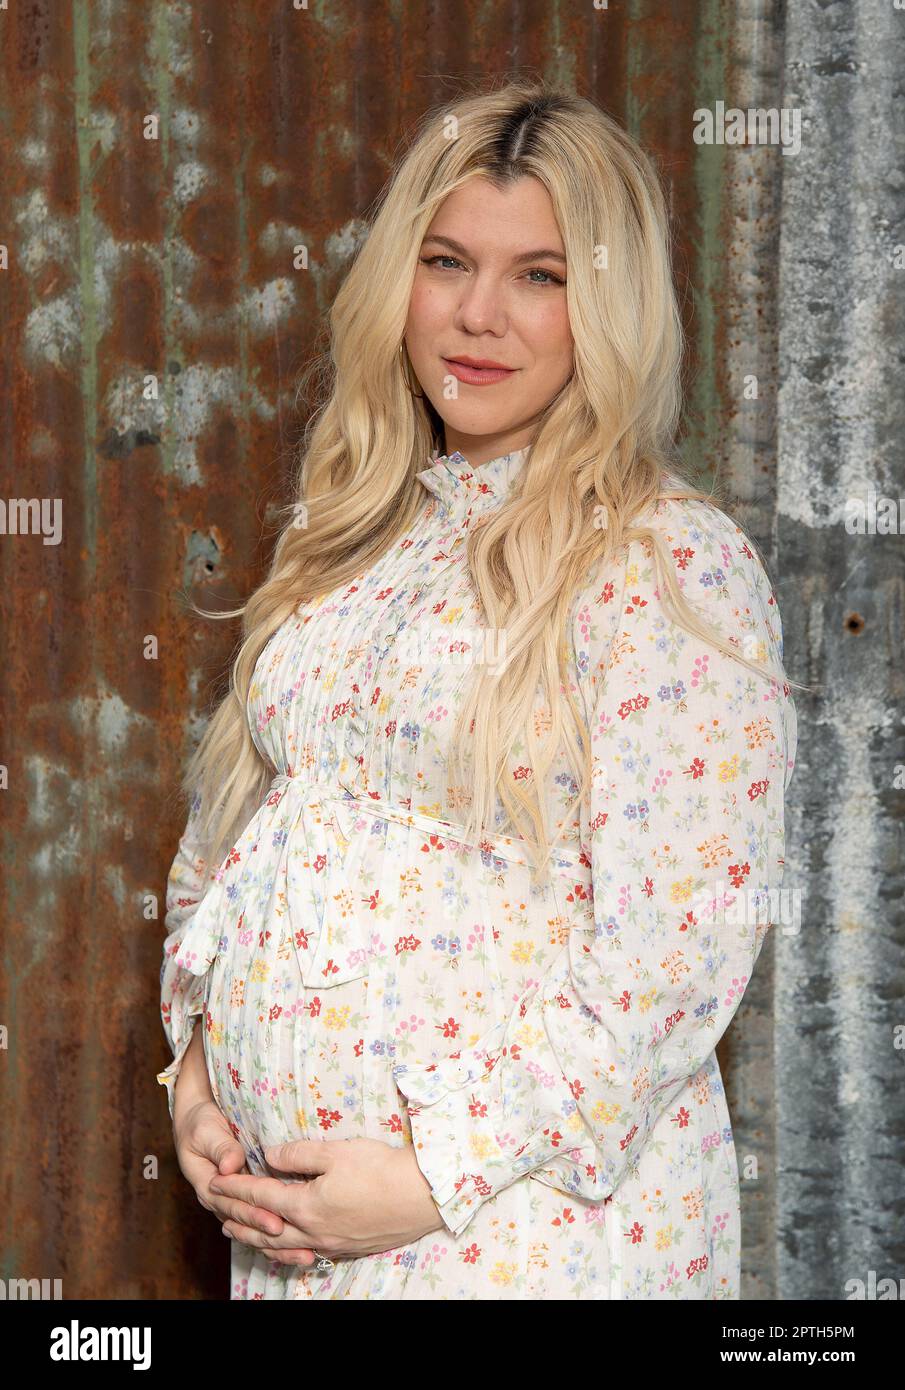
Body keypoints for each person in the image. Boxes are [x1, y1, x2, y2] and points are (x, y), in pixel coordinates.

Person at [157, 78, 799, 1300]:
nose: (478, 315)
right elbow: (230, 844)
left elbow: (672, 963)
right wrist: (194, 1081)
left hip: (521, 1244)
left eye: (539, 276)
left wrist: (426, 1175)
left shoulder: (668, 568)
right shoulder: (347, 538)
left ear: (602, 303)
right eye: (446, 261)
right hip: (298, 1248)